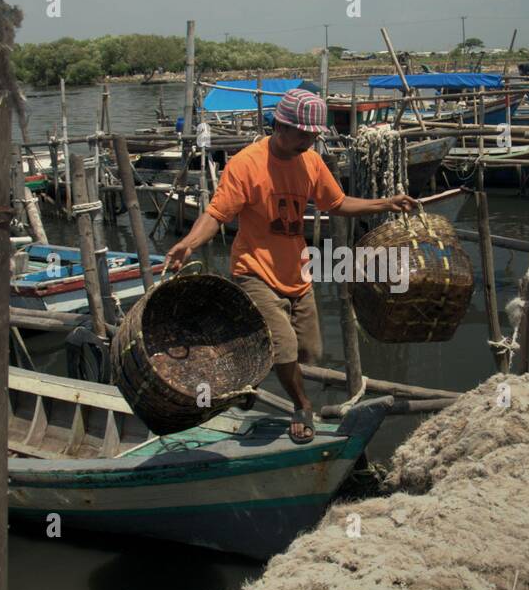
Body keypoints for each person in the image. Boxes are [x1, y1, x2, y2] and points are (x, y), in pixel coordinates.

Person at [163, 88, 416, 444]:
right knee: (283, 348)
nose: (310, 142)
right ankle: (301, 404)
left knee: (310, 354)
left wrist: (385, 202)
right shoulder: (246, 164)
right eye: (304, 135)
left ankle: (248, 371)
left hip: (297, 274)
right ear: (280, 126)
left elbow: (338, 202)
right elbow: (217, 214)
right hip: (255, 271)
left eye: (314, 136)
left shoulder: (311, 162)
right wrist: (188, 244)